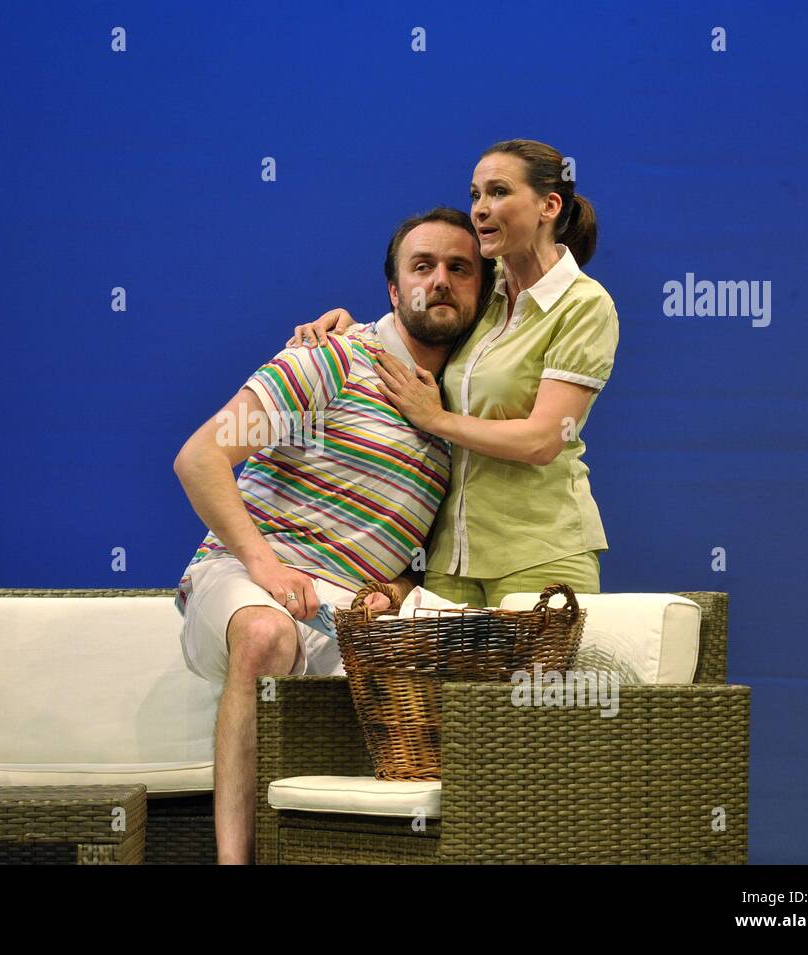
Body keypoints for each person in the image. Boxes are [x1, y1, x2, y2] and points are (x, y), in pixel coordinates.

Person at [173, 207, 484, 863]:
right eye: (421, 266)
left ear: (482, 290)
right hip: (247, 577)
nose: (441, 280)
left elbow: (417, 553)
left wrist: (396, 588)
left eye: (460, 268)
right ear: (395, 290)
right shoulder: (333, 358)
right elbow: (200, 457)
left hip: (346, 615)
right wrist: (266, 567)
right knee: (265, 631)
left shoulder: (461, 411)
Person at [291, 139, 619, 607]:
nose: (481, 210)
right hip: (448, 561)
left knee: (533, 684)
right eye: (476, 195)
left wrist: (437, 420)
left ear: (549, 205)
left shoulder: (584, 304)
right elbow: (420, 318)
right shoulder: (485, 288)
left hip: (539, 554)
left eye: (499, 192)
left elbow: (543, 441)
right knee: (438, 685)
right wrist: (351, 328)